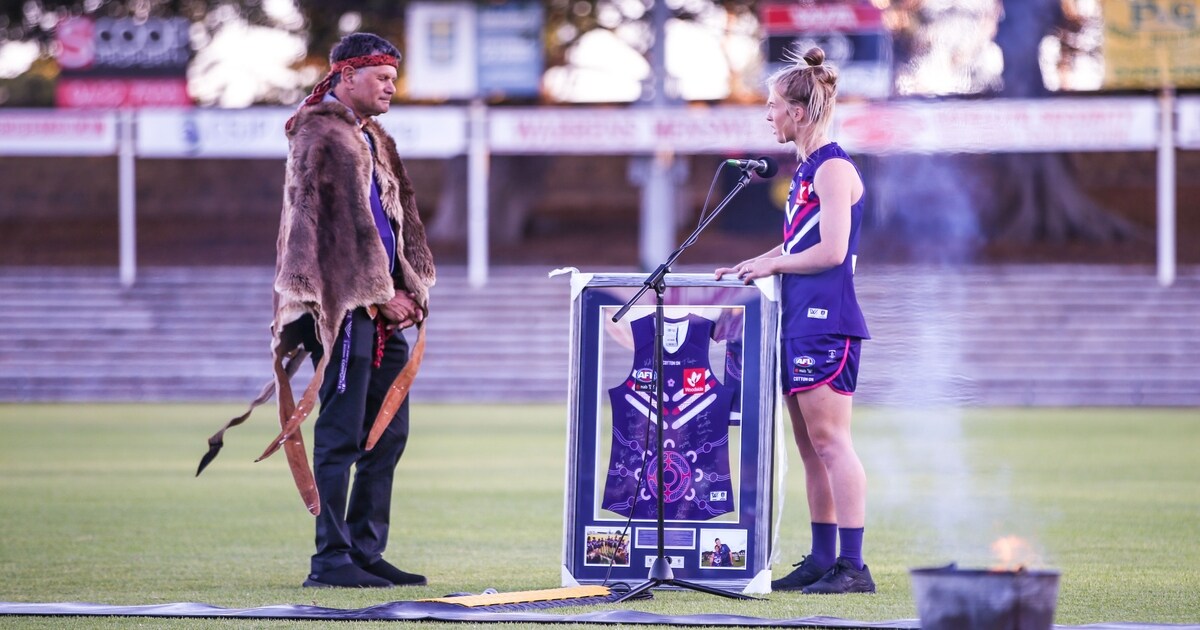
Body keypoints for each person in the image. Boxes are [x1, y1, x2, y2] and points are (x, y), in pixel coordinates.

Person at [276, 32, 436, 589]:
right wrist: (374, 294)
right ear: (346, 75)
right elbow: (327, 235)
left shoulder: (371, 138)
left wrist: (408, 290)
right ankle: (330, 559)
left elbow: (392, 224)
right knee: (342, 433)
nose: (391, 85)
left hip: (382, 307)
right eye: (380, 76)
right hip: (342, 308)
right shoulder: (320, 132)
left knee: (387, 431)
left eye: (395, 77)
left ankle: (365, 551)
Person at [714, 46, 874, 595]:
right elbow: (797, 245)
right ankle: (824, 557)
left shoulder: (832, 166)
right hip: (799, 319)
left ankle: (853, 566)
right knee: (810, 448)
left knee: (832, 442)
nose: (768, 115)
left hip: (827, 323)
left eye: (773, 104)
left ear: (798, 112)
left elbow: (831, 250)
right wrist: (757, 272)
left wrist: (772, 261)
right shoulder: (807, 168)